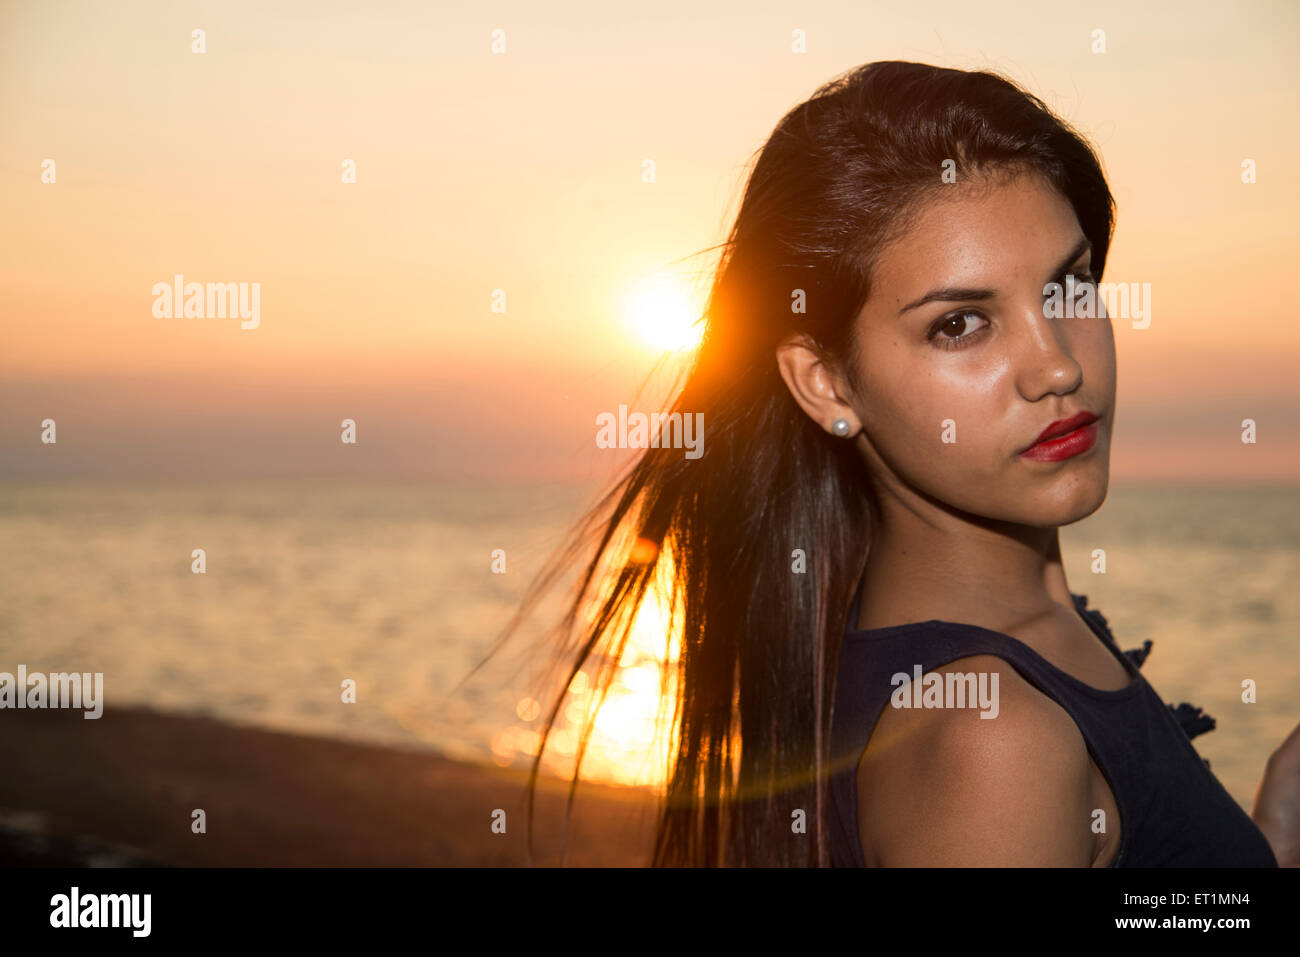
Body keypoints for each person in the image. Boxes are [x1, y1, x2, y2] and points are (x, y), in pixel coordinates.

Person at [488, 60, 1300, 867]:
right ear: (827, 380)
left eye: (1067, 287)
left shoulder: (996, 643)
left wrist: (1271, 835)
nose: (1057, 366)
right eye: (960, 325)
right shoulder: (993, 742)